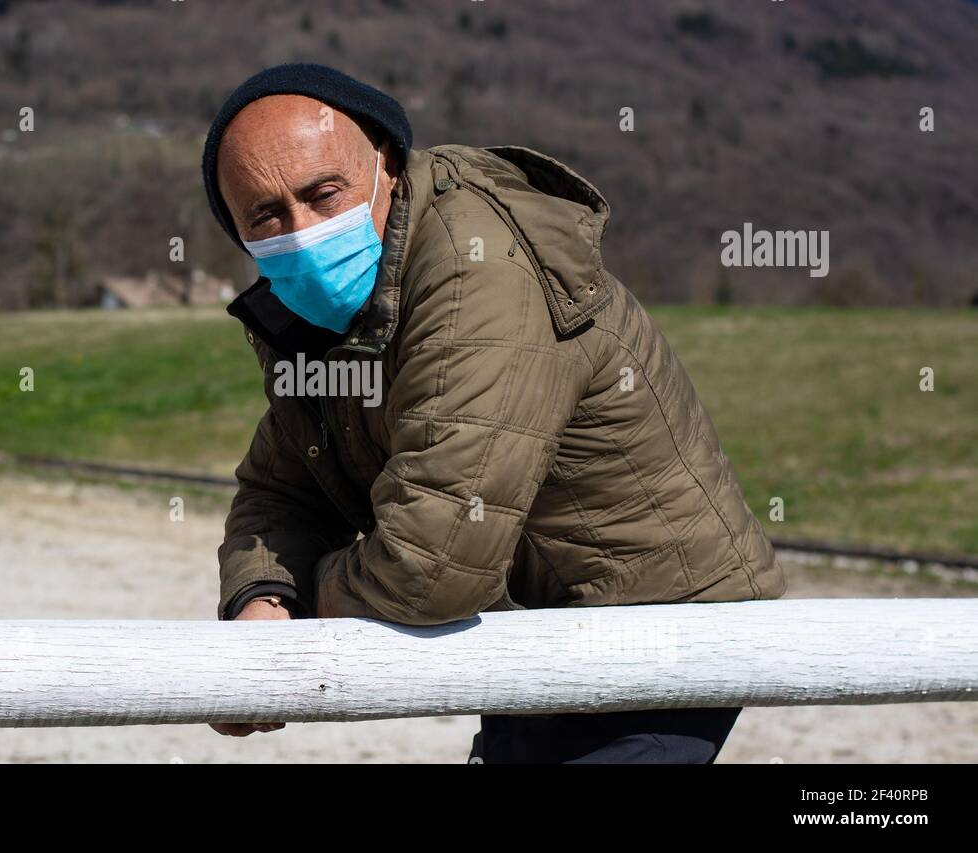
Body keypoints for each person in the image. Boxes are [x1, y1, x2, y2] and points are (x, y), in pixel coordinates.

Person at [200, 63, 785, 762]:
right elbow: (281, 485)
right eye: (266, 216)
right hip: (534, 637)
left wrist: (303, 605)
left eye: (324, 193)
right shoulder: (326, 309)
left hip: (655, 637)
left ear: (386, 161)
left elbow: (436, 561)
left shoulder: (477, 269)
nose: (302, 232)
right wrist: (259, 600)